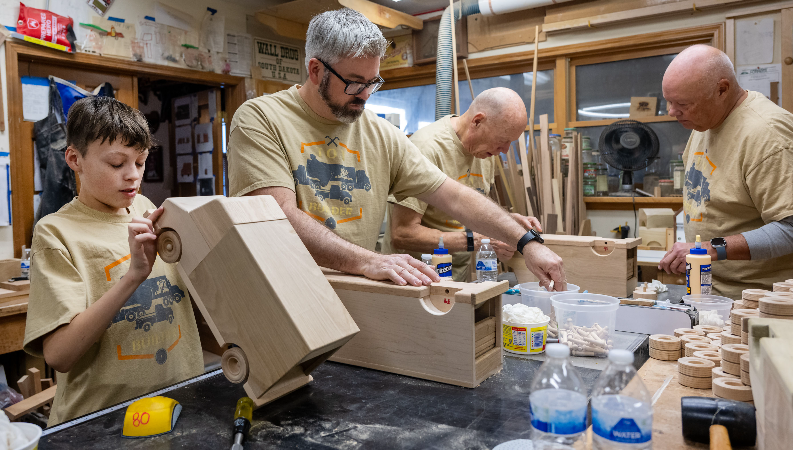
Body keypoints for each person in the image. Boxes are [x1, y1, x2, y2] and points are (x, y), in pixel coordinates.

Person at [228, 8, 565, 290]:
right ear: (316, 71)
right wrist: (369, 260)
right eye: (355, 83)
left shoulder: (380, 133)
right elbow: (278, 216)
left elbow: (454, 195)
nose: (365, 94)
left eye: (373, 82)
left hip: (354, 291)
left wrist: (526, 241)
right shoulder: (260, 119)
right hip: (283, 292)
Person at [23, 97, 203, 426]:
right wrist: (133, 276)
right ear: (75, 159)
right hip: (104, 421)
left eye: (140, 161)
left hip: (177, 399)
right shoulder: (56, 233)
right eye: (117, 164)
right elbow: (59, 355)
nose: (132, 176)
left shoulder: (146, 208)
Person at [659, 44, 793, 299]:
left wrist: (711, 248)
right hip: (710, 294)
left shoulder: (768, 134)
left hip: (759, 304)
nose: (672, 112)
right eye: (669, 101)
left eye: (683, 104)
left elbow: (790, 228)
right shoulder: (704, 123)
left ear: (722, 89)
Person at [381, 87, 538, 281]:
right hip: (415, 280)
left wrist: (504, 224)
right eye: (502, 140)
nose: (505, 150)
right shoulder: (426, 148)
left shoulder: (485, 152)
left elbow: (470, 211)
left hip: (457, 278)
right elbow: (402, 234)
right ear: (477, 121)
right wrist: (476, 241)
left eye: (510, 143)